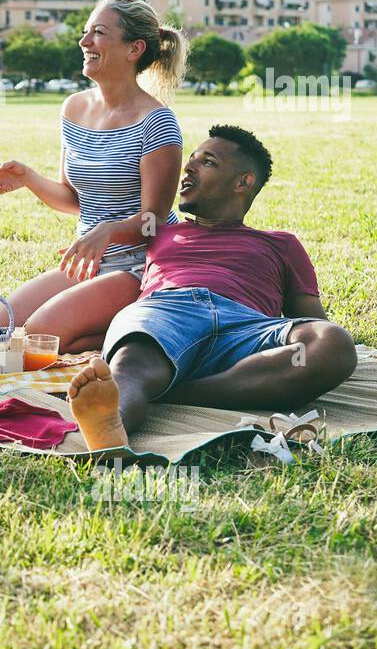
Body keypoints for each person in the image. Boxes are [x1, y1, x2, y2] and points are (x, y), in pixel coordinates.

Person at [65, 125, 359, 450]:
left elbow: (314, 321)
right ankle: (111, 423)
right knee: (133, 363)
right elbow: (97, 204)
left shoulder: (281, 244)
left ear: (243, 182)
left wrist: (316, 345)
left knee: (332, 343)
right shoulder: (157, 231)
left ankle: (174, 392)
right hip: (167, 314)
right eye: (191, 159)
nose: (188, 168)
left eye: (207, 162)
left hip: (245, 330)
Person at [0, 0, 186, 353]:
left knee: (38, 337)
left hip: (138, 266)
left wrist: (107, 233)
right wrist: (29, 177)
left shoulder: (157, 122)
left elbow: (155, 221)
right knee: (1, 324)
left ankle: (139, 326)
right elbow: (74, 199)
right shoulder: (74, 107)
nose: (84, 42)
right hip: (89, 261)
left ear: (134, 48)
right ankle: (115, 331)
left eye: (98, 33)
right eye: (85, 32)